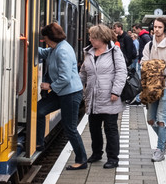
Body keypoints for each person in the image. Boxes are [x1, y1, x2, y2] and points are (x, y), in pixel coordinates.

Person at [38, 21, 88, 170]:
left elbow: (65, 78)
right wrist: (28, 44)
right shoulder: (55, 48)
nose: (43, 41)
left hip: (71, 94)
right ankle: (39, 143)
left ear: (50, 37)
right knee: (39, 110)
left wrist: (50, 86)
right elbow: (44, 53)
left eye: (44, 38)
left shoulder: (63, 51)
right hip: (61, 93)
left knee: (69, 128)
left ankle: (82, 159)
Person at [80, 24, 125, 169]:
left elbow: (121, 72)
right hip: (93, 97)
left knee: (110, 128)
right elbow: (83, 73)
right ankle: (96, 153)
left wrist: (115, 91)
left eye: (92, 37)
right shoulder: (89, 52)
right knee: (94, 127)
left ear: (101, 38)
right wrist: (78, 88)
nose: (90, 39)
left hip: (109, 97)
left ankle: (113, 157)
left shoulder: (114, 52)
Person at [141, 17, 166, 161]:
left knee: (161, 119)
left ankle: (159, 150)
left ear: (165, 29)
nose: (156, 29)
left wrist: (158, 71)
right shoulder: (149, 45)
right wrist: (156, 68)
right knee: (151, 120)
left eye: (160, 27)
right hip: (152, 87)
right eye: (155, 27)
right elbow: (144, 63)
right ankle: (164, 140)